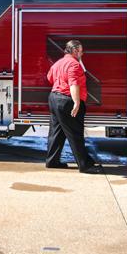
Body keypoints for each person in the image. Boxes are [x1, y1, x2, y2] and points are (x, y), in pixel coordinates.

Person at [44, 39, 103, 174]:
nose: (82, 54)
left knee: (56, 132)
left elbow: (49, 78)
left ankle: (52, 161)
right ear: (75, 50)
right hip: (67, 100)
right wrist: (76, 102)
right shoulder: (74, 64)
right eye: (81, 51)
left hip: (54, 98)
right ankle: (85, 165)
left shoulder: (58, 63)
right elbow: (73, 83)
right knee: (75, 133)